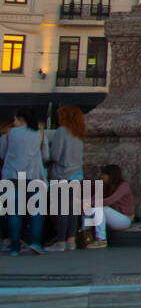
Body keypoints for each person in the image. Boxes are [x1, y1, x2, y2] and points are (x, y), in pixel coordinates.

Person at [2, 107, 49, 255]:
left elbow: (2, 153)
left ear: (22, 119)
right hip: (33, 176)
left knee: (14, 212)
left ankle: (15, 247)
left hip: (12, 176)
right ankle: (35, 243)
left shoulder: (9, 134)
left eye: (15, 119)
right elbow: (46, 156)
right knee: (37, 211)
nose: (14, 122)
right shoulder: (40, 133)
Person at [46, 105, 87, 252]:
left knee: (62, 209)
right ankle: (71, 240)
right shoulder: (79, 132)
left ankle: (61, 242)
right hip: (77, 174)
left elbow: (55, 155)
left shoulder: (61, 132)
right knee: (73, 209)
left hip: (62, 174)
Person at [82, 164, 134, 249]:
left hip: (124, 219)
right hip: (110, 218)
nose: (101, 176)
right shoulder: (104, 186)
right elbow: (94, 199)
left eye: (103, 174)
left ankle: (101, 240)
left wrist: (88, 203)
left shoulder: (124, 186)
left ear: (110, 175)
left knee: (98, 207)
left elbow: (110, 200)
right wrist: (83, 203)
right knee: (89, 207)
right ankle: (85, 235)